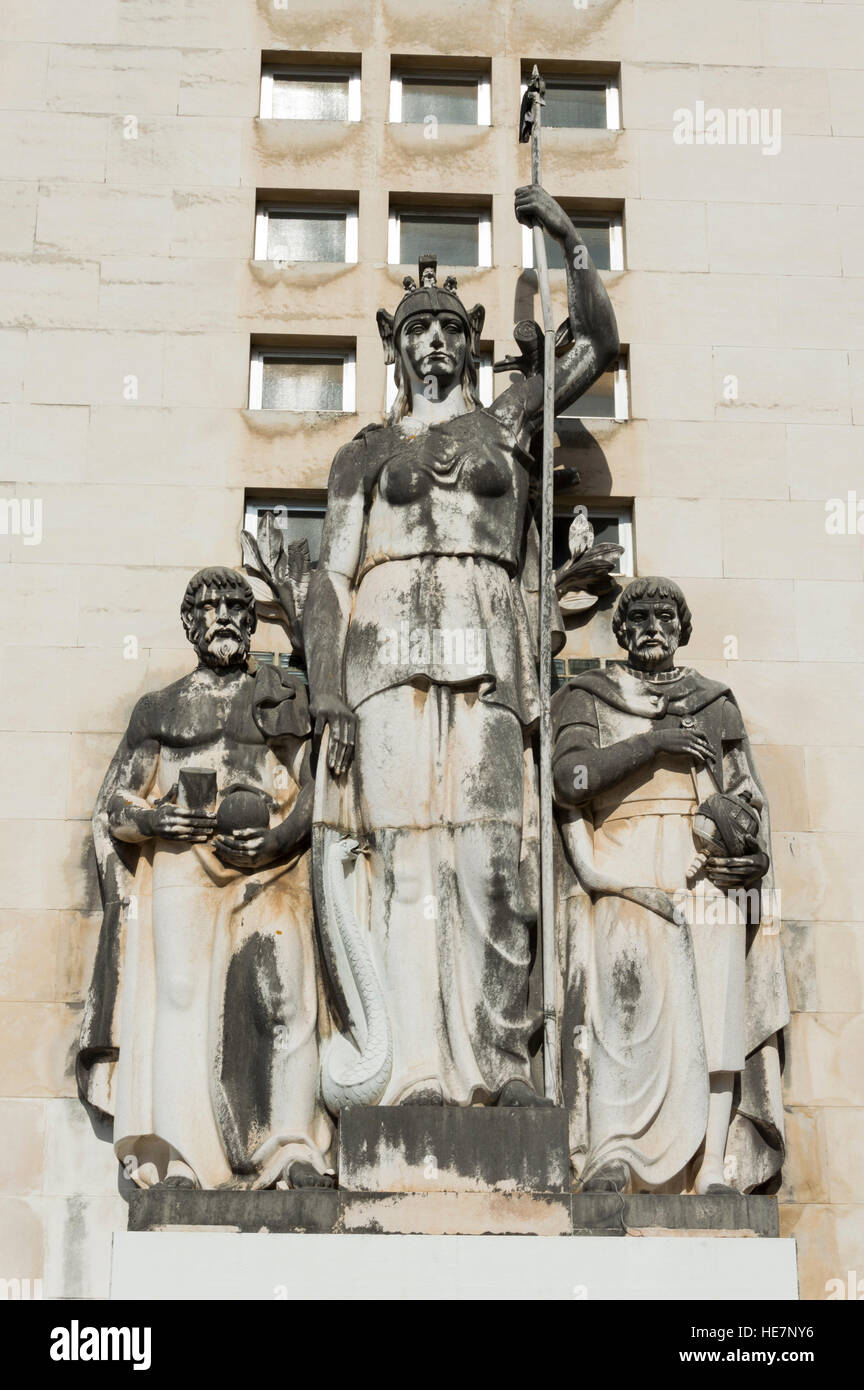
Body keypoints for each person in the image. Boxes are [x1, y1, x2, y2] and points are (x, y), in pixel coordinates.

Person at [303, 185, 619, 1110]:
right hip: (383, 656)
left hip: (486, 644)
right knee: (401, 860)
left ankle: (497, 1068)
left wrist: (567, 238)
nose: (433, 343)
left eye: (447, 329)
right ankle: (408, 1074)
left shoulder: (510, 420)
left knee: (491, 857)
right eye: (417, 332)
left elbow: (594, 343)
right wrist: (325, 693)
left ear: (469, 345)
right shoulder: (364, 452)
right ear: (396, 349)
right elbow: (329, 578)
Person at [78, 567, 334, 1190]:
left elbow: (315, 788)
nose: (222, 616)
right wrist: (157, 816)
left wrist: (278, 836)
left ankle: (291, 1147)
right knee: (179, 1000)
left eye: (234, 607)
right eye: (209, 607)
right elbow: (116, 804)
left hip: (269, 861)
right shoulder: (161, 707)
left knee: (287, 990)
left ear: (250, 624)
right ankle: (179, 1160)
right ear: (191, 624)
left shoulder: (278, 697)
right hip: (180, 863)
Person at [552, 577, 789, 1193]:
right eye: (640, 617)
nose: (653, 626)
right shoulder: (587, 694)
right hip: (622, 860)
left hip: (703, 862)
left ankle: (712, 1165)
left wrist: (752, 857)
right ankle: (616, 1152)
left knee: (717, 1010)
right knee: (626, 998)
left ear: (682, 629)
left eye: (665, 616)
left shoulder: (715, 702)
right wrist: (652, 742)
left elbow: (747, 799)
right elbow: (570, 779)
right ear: (622, 631)